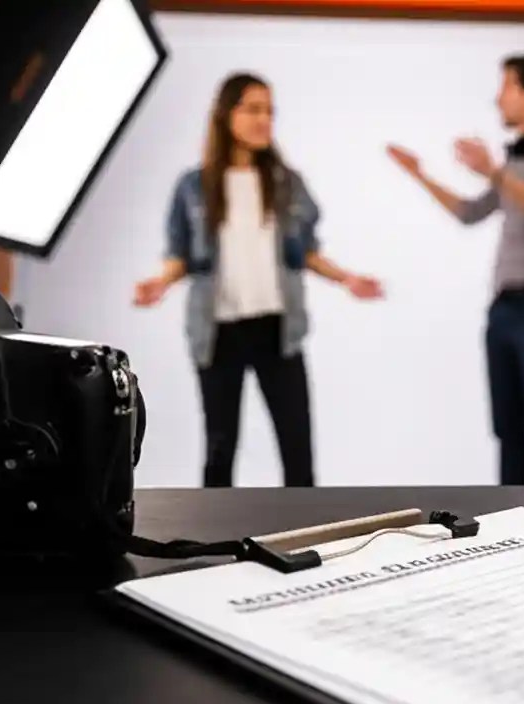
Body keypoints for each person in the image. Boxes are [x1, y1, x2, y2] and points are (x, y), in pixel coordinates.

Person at [134, 72, 384, 488]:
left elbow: (304, 252)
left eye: (269, 111)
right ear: (226, 115)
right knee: (219, 452)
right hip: (219, 335)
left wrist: (347, 279)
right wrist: (159, 282)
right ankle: (217, 543)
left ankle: (308, 538)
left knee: (298, 452)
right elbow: (182, 255)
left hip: (277, 331)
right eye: (253, 109)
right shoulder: (194, 187)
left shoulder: (286, 183)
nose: (264, 119)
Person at [386, 53, 524, 486]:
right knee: (507, 431)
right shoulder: (511, 165)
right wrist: (421, 176)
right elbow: (470, 212)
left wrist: (493, 170)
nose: (498, 99)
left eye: (506, 88)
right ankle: (511, 523)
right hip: (505, 309)